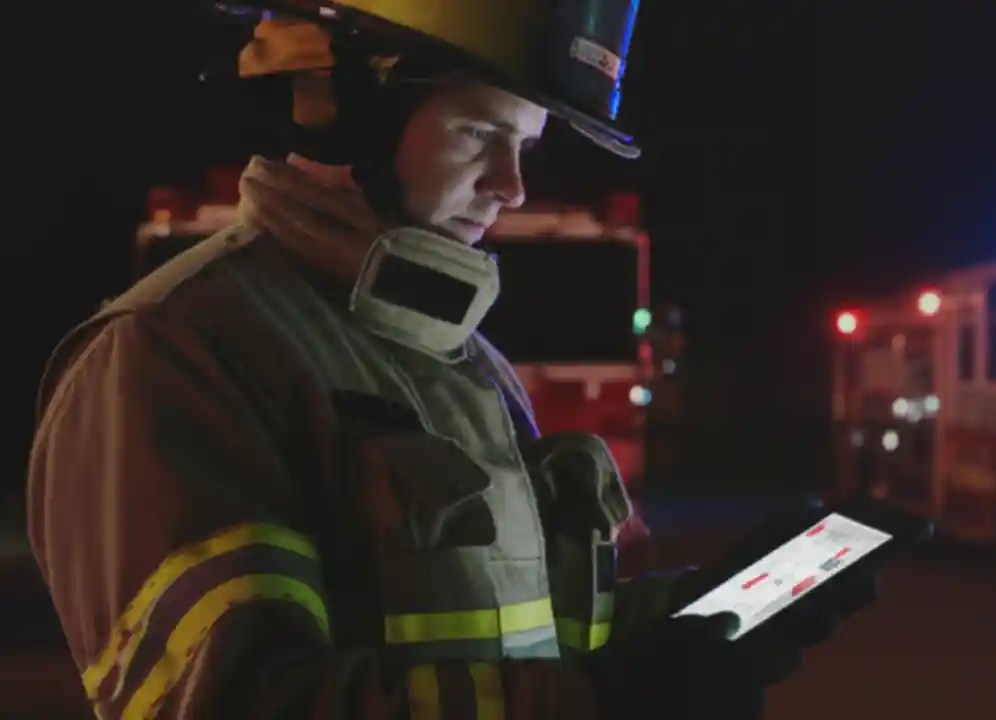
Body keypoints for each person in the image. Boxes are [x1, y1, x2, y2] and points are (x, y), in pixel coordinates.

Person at [27, 2, 878, 718]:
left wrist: (723, 608)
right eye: (479, 132)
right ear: (346, 107)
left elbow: (525, 636)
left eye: (527, 147)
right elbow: (242, 701)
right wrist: (599, 701)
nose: (512, 186)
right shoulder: (179, 348)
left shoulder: (459, 358)